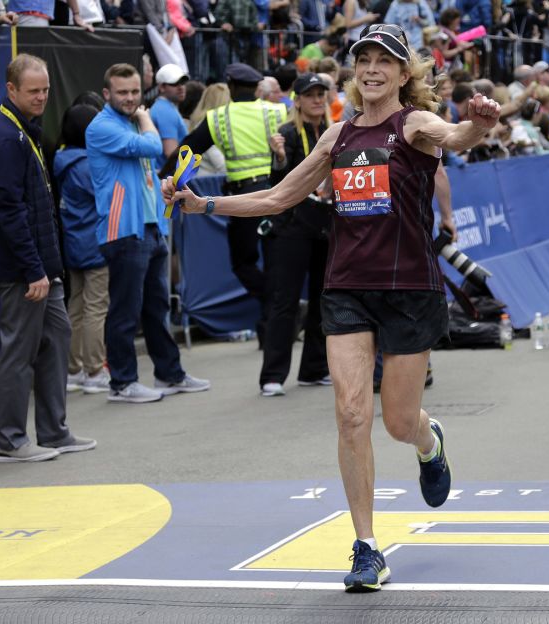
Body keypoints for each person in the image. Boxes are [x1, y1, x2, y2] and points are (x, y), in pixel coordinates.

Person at [164, 23, 500, 591]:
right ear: (353, 70)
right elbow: (278, 196)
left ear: (402, 73)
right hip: (346, 287)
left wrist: (479, 122)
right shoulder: (336, 136)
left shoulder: (413, 124)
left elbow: (457, 134)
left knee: (396, 422)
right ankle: (367, 546)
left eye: (384, 61)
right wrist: (204, 204)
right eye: (363, 59)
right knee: (350, 413)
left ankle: (428, 438)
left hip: (409, 289)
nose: (372, 69)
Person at [0, 53, 97, 462]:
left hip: (41, 266)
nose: (42, 97)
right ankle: (10, 442)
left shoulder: (22, 131)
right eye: (33, 91)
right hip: (25, 269)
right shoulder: (4, 135)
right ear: (11, 89)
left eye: (46, 90)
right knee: (19, 351)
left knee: (57, 338)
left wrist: (46, 268)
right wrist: (34, 268)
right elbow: (8, 209)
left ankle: (53, 432)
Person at [86, 62, 211, 403]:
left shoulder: (126, 125)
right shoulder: (103, 127)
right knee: (125, 312)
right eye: (122, 93)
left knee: (156, 309)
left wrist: (162, 186)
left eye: (134, 92)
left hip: (150, 227)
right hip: (123, 231)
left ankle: (169, 375)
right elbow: (154, 148)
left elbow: (145, 170)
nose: (130, 99)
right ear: (107, 94)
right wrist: (145, 120)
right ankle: (123, 383)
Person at [161, 63, 288, 346]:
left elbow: (188, 150)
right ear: (257, 88)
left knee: (244, 263)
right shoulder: (277, 111)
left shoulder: (218, 117)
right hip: (279, 193)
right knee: (275, 263)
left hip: (242, 200)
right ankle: (275, 318)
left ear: (230, 87)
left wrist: (168, 178)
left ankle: (274, 311)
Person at [259, 74, 335, 397]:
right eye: (311, 95)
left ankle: (314, 369)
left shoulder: (334, 132)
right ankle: (272, 375)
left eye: (322, 94)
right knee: (284, 301)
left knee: (323, 298)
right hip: (292, 227)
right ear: (298, 100)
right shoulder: (287, 133)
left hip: (325, 224)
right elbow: (280, 181)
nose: (318, 99)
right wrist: (278, 156)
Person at [55, 104, 111, 395]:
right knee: (95, 308)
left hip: (72, 243)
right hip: (95, 242)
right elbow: (107, 196)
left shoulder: (61, 160)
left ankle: (72, 368)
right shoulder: (88, 165)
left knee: (75, 307)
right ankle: (93, 370)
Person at [149, 63, 190, 172]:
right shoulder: (165, 110)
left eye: (183, 82)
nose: (181, 87)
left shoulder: (163, 108)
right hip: (169, 181)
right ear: (162, 87)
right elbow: (171, 153)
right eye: (175, 83)